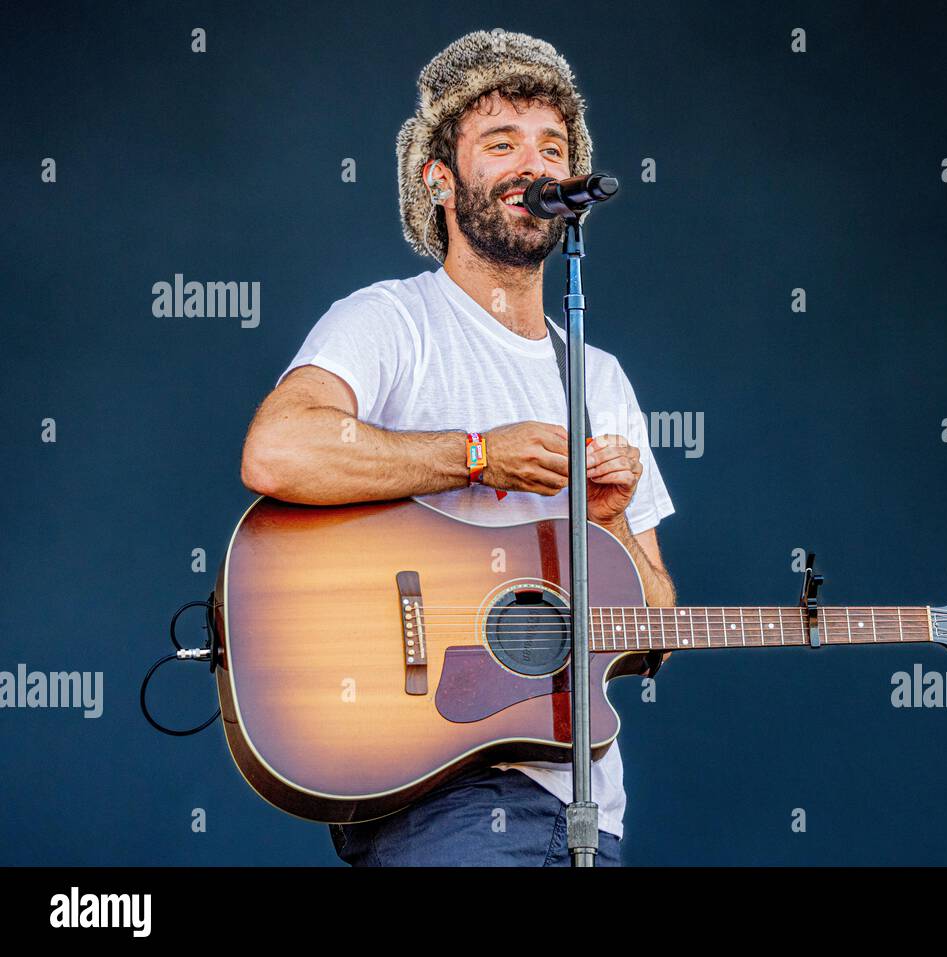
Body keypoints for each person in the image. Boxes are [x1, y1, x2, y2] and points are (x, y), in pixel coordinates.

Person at [239, 29, 676, 866]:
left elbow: (651, 626)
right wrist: (477, 456)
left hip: (583, 808)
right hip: (435, 788)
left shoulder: (600, 377)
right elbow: (278, 449)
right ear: (438, 177)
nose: (535, 164)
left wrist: (613, 525)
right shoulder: (389, 321)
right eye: (501, 142)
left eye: (553, 146)